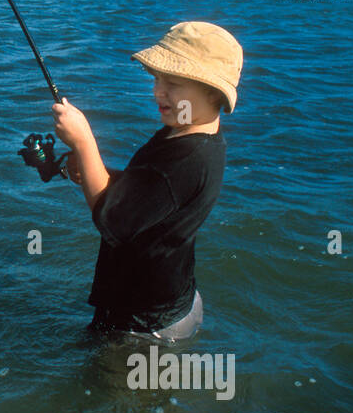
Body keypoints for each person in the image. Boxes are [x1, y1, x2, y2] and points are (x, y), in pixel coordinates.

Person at [51, 21, 243, 342]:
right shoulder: (194, 135)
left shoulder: (184, 159)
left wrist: (84, 142)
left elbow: (112, 220)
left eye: (173, 83)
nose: (157, 91)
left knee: (111, 389)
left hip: (145, 326)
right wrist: (98, 173)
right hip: (176, 301)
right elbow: (155, 191)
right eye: (156, 79)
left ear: (212, 91)